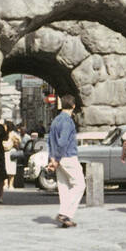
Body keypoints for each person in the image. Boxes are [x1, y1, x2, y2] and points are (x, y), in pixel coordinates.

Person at [46, 95, 85, 228]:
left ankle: (65, 217)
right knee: (80, 185)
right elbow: (62, 142)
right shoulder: (68, 121)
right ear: (73, 106)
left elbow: (50, 140)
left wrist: (52, 158)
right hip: (68, 156)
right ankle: (65, 213)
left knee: (64, 187)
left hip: (58, 157)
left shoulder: (55, 120)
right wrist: (56, 159)